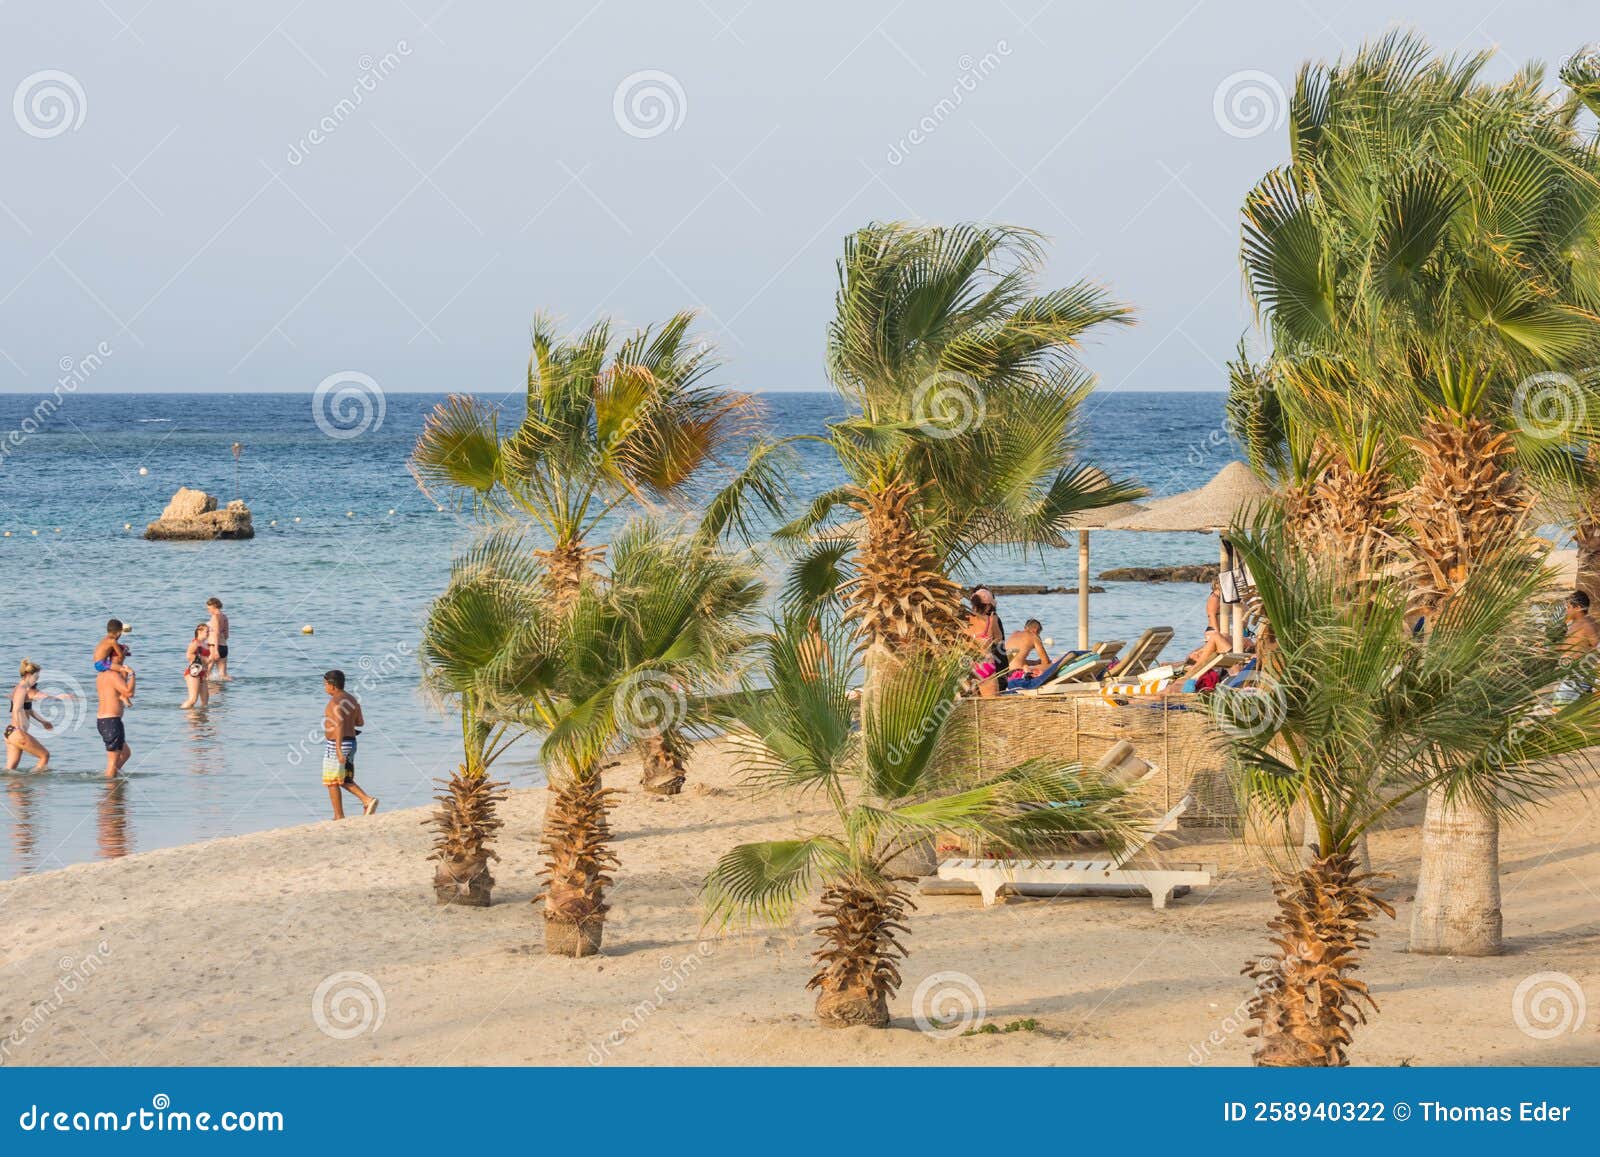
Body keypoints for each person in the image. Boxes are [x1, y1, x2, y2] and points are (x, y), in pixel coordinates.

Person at [322, 670, 377, 818]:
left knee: (332, 781)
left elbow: (339, 723)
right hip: (351, 742)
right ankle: (363, 803)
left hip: (337, 745)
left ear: (332, 685)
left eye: (325, 684)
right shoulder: (352, 699)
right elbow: (360, 722)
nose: (324, 687)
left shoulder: (334, 702)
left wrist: (338, 749)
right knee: (344, 778)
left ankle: (360, 803)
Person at [5, 660, 73, 771]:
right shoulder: (22, 689)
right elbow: (17, 709)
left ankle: (15, 787)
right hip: (17, 732)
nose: (37, 679)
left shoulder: (20, 688)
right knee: (44, 756)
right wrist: (59, 697)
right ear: (28, 675)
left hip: (10, 732)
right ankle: (36, 783)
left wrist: (42, 721)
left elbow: (28, 709)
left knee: (10, 770)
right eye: (36, 677)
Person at [1554, 591, 1600, 705]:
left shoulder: (1587, 625)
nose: (1567, 610)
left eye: (1569, 607)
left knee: (1559, 711)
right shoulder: (1576, 623)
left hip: (1577, 677)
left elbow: (1598, 646)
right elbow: (1569, 645)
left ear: (1578, 608)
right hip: (1572, 675)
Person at [965, 587, 1007, 697]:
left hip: (967, 665)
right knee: (991, 704)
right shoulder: (991, 620)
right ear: (988, 606)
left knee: (970, 704)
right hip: (984, 665)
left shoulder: (964, 619)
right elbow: (999, 639)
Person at [95, 662, 135, 778]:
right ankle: (111, 789)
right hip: (111, 722)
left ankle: (111, 778)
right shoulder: (113, 676)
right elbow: (129, 692)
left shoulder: (102, 675)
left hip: (105, 721)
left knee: (126, 753)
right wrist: (132, 674)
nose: (123, 662)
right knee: (112, 762)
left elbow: (117, 694)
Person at [180, 623, 211, 710]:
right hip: (193, 672)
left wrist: (207, 670)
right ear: (199, 632)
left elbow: (207, 661)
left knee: (205, 701)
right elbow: (188, 655)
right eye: (207, 632)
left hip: (202, 673)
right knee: (193, 699)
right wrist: (203, 659)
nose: (208, 633)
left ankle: (202, 720)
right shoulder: (195, 643)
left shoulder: (205, 644)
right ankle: (182, 712)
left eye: (209, 632)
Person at [206, 598, 231, 681]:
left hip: (214, 646)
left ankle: (208, 691)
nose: (208, 610)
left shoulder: (215, 617)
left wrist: (216, 650)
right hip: (224, 646)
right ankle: (224, 693)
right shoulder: (224, 617)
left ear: (214, 606)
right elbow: (226, 635)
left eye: (209, 608)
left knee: (207, 673)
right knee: (223, 675)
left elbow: (216, 633)